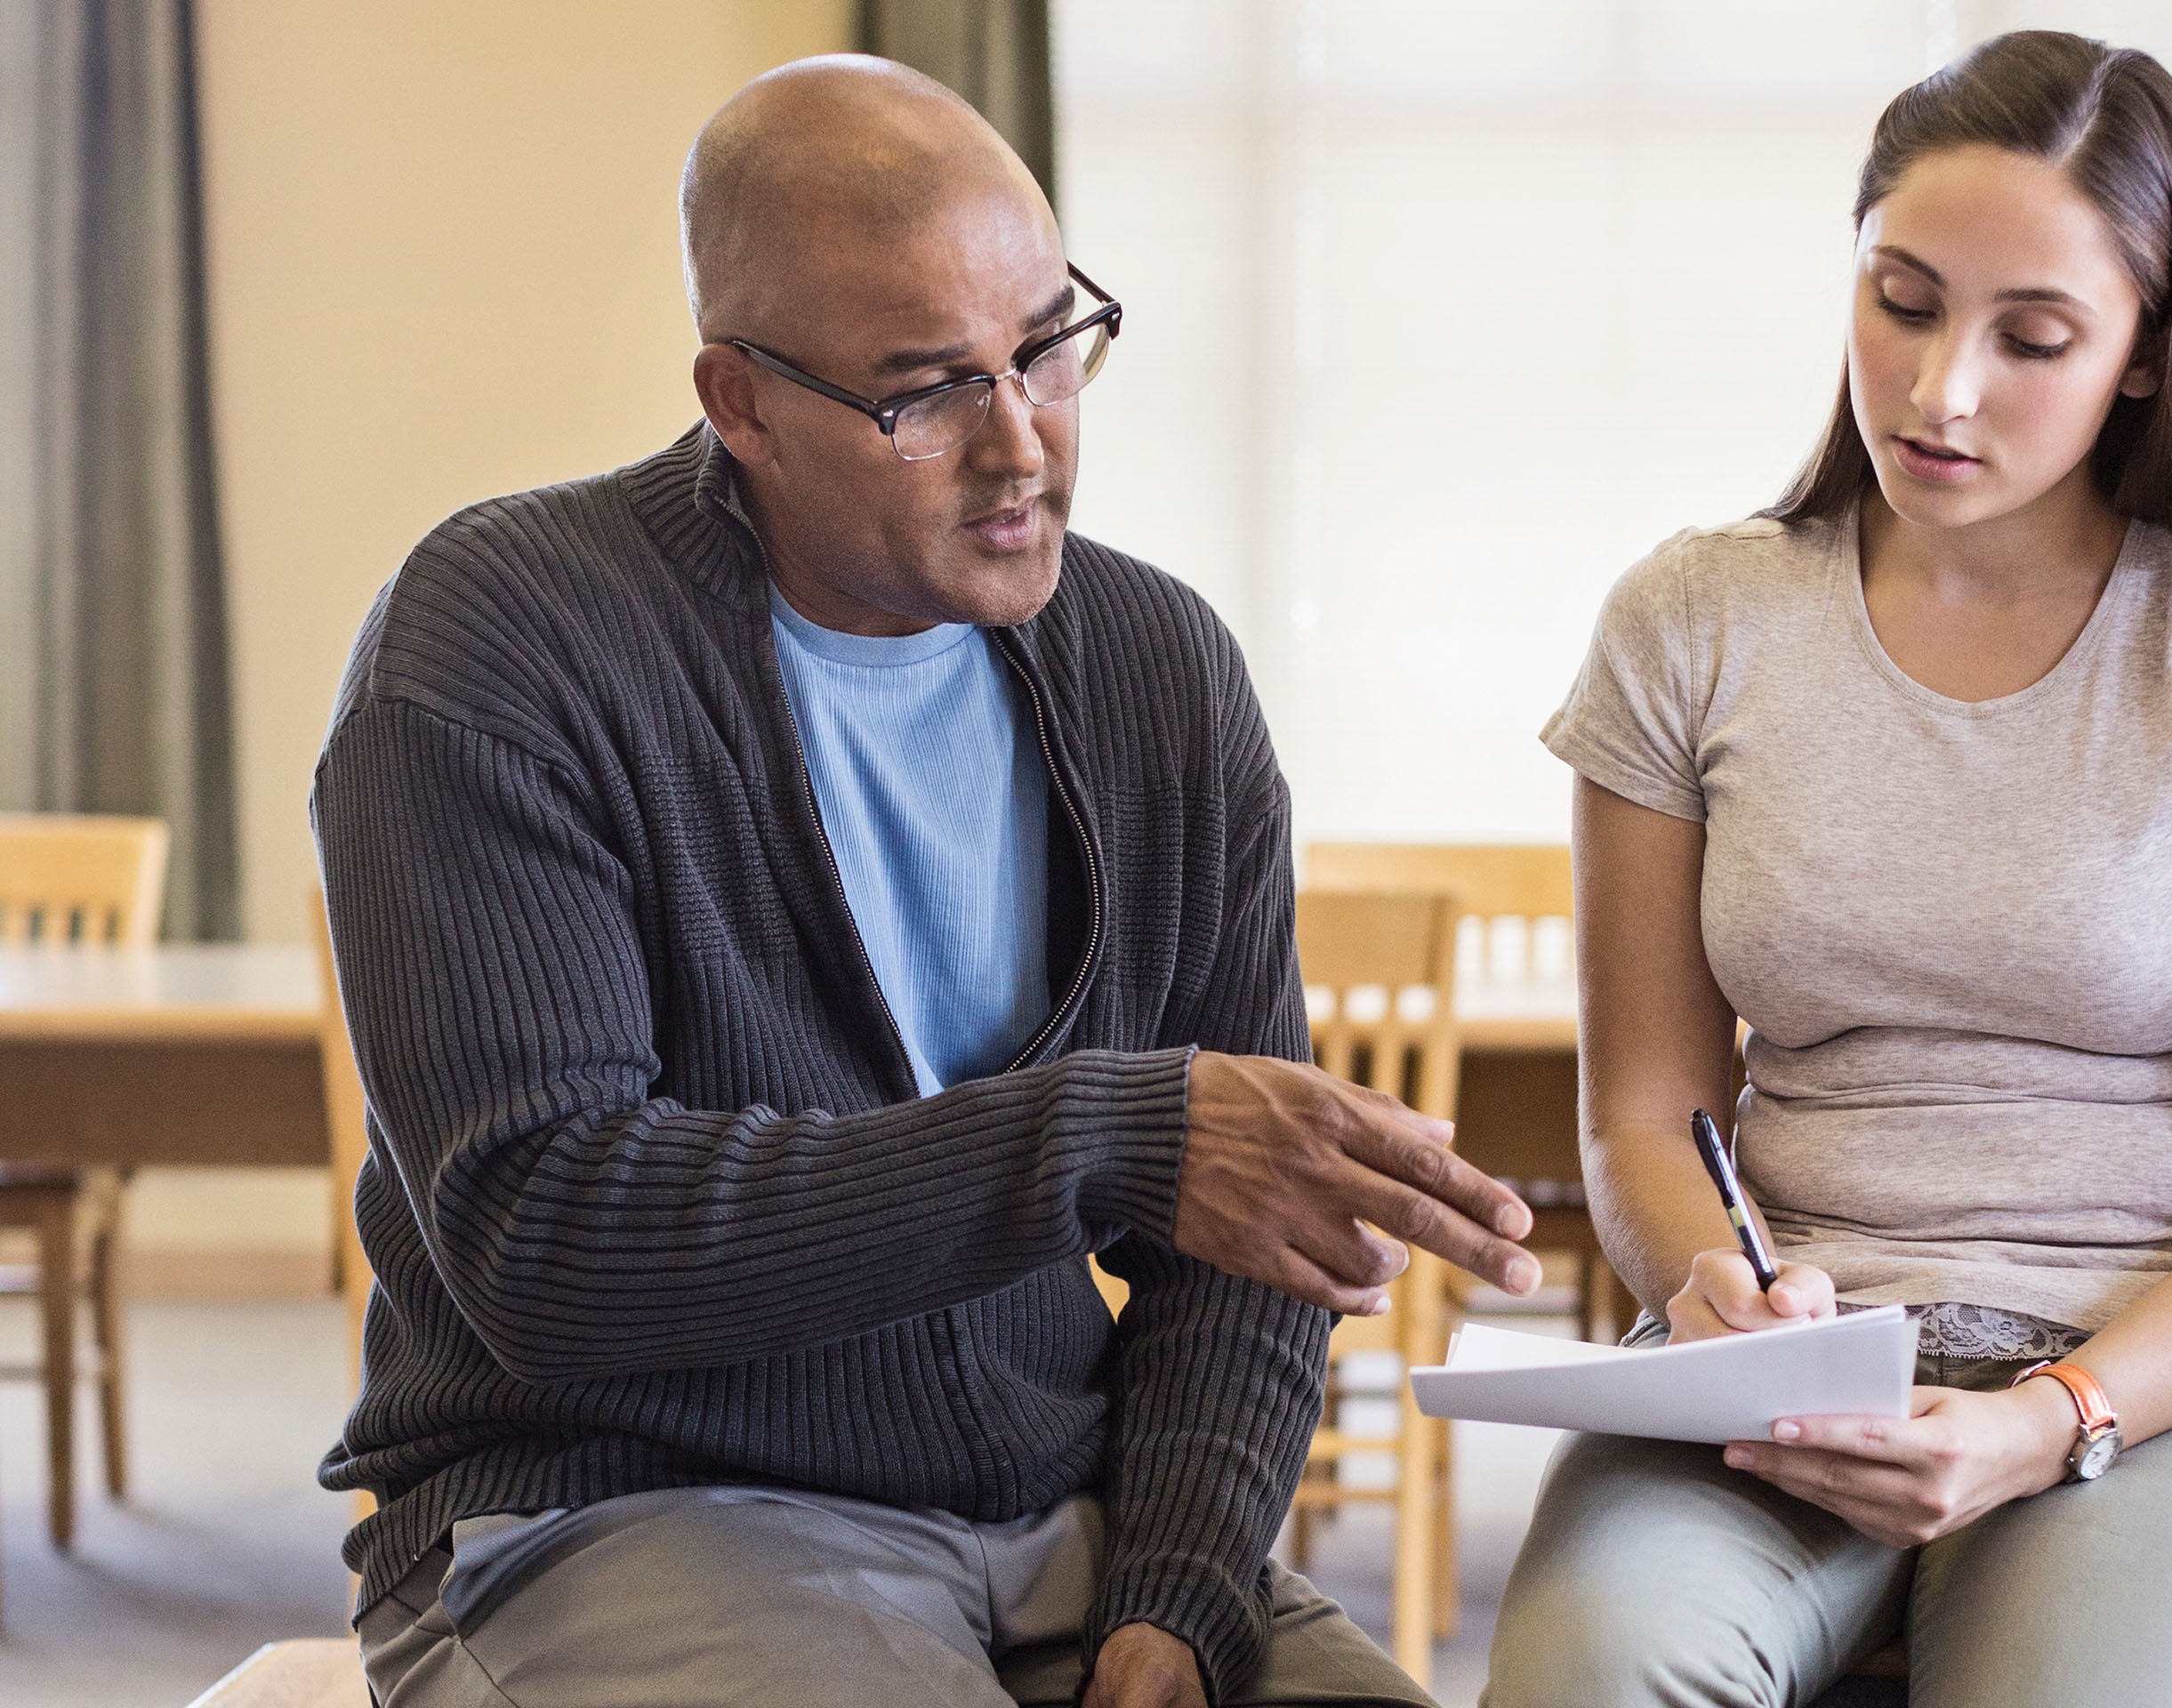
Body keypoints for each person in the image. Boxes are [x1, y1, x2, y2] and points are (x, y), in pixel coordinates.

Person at [313, 55, 1542, 1708]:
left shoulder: (1159, 668)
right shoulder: (504, 642)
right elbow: (544, 1234)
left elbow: (1240, 1249)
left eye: (1048, 347)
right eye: (930, 392)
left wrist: (1179, 1593)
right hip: (621, 1510)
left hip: (1060, 1519)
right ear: (741, 403)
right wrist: (1113, 1136)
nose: (1021, 444)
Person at [1490, 31, 2172, 1708]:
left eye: (2032, 338)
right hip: (1793, 1377)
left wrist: (2051, 1418)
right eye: (1903, 302)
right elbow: (1647, 1110)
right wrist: (1710, 1287)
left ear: (2148, 354)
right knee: (1589, 1675)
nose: (1940, 389)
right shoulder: (1691, 620)